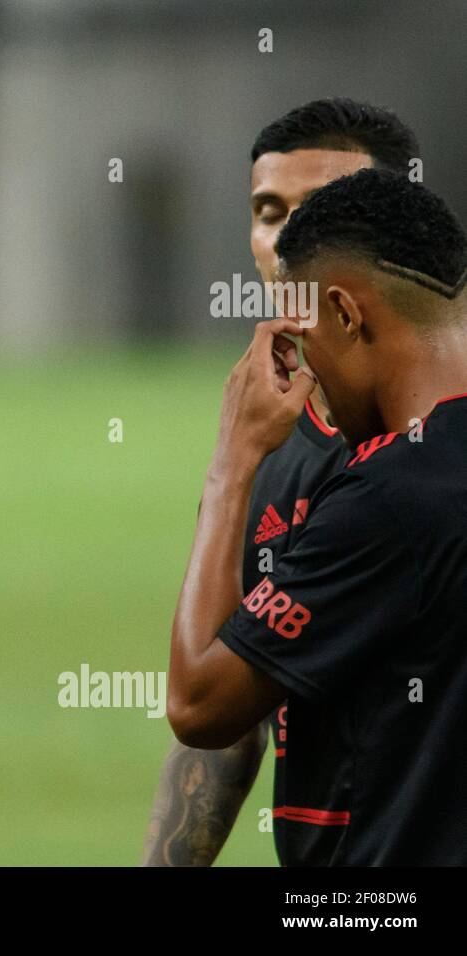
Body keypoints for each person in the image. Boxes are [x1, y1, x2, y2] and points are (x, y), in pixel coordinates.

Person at [143, 99, 419, 865]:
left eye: (322, 213)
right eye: (270, 213)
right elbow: (225, 711)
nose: (289, 243)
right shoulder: (269, 441)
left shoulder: (436, 443)